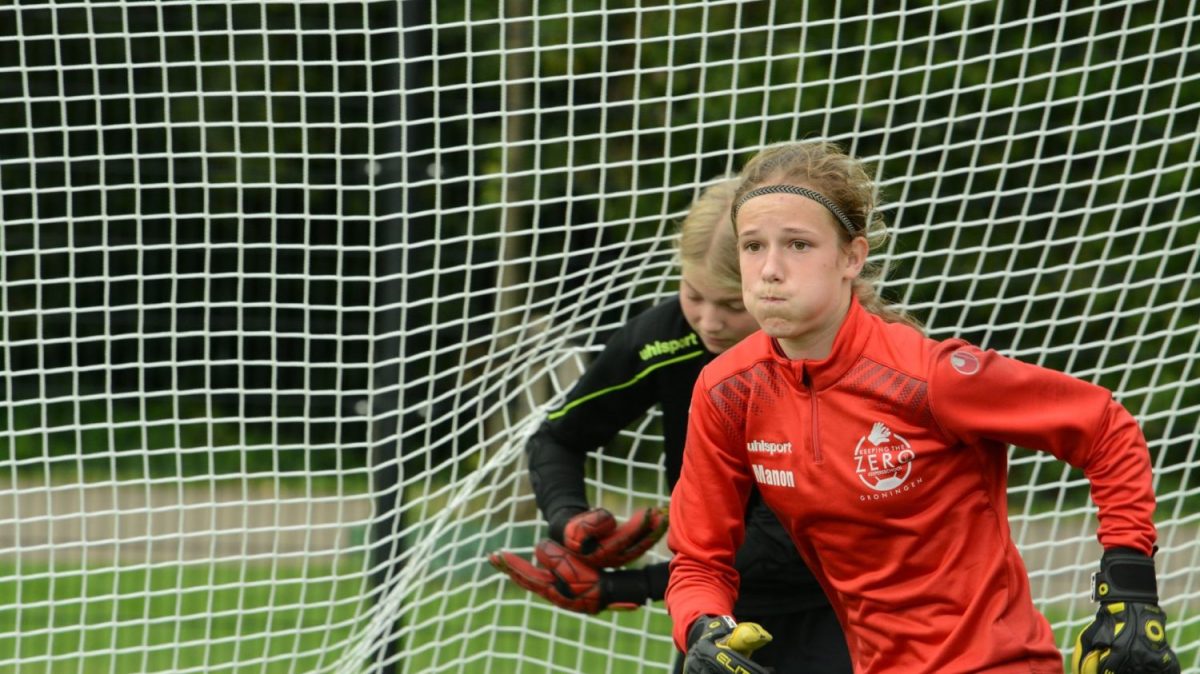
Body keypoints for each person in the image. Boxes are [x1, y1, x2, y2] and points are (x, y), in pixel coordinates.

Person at [666, 140, 1182, 674]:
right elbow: (699, 559)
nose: (770, 269)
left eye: (798, 245)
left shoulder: (930, 378)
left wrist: (1129, 583)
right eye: (753, 247)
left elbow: (1103, 426)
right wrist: (703, 626)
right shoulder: (727, 390)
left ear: (852, 257)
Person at [489, 178, 854, 674]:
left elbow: (784, 543)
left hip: (840, 615)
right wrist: (570, 522)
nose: (708, 322)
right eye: (693, 294)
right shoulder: (667, 338)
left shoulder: (836, 361)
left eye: (730, 304)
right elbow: (558, 437)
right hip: (711, 619)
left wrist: (626, 587)